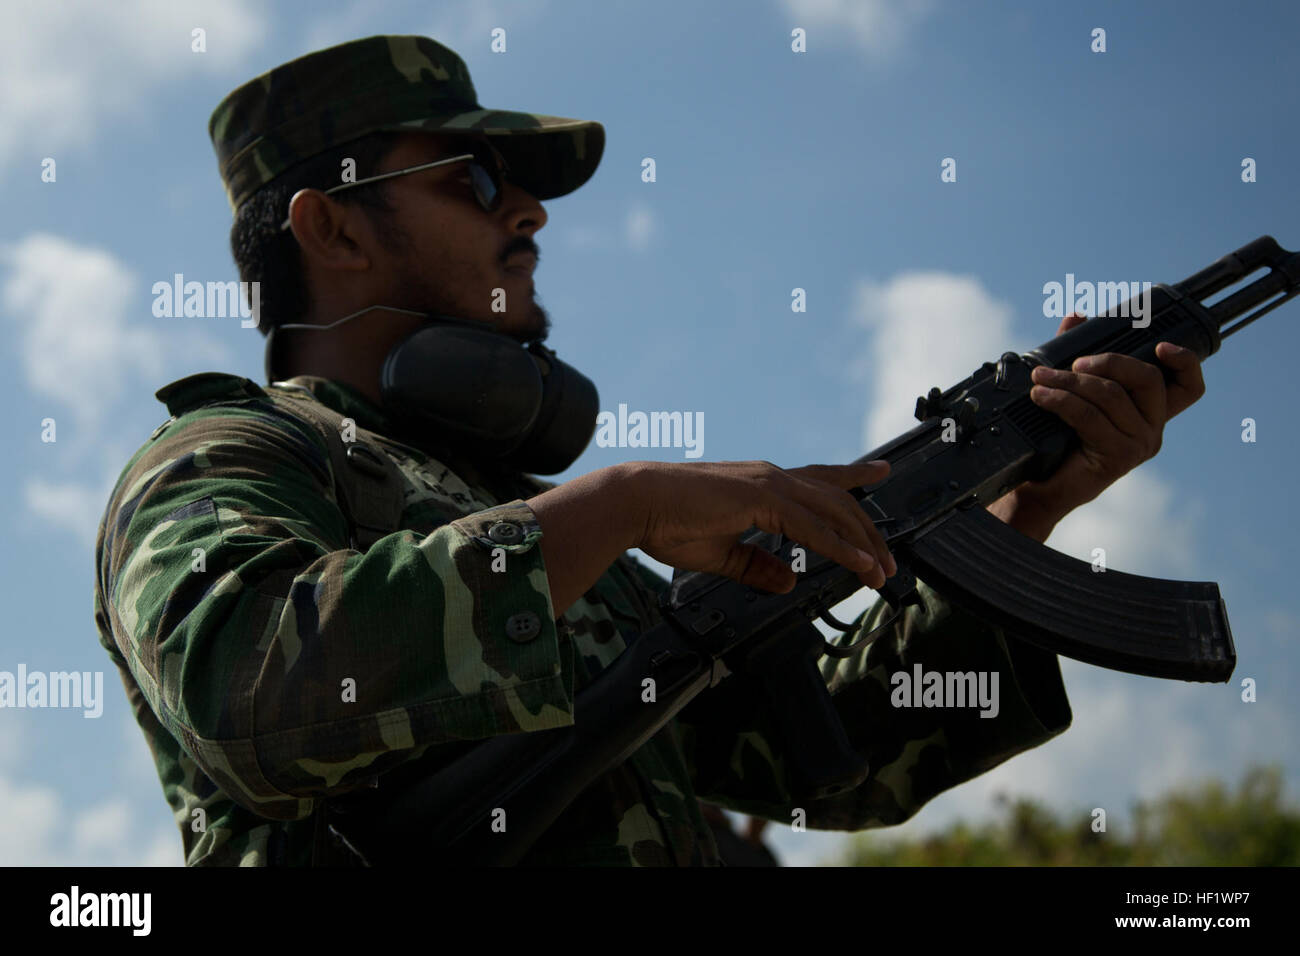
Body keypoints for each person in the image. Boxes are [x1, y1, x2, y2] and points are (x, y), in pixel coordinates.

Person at [92, 35, 1207, 866]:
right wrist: (619, 505)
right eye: (473, 179)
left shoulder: (529, 524)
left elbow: (845, 758)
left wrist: (1022, 510)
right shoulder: (227, 455)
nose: (525, 213)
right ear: (331, 226)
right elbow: (248, 691)